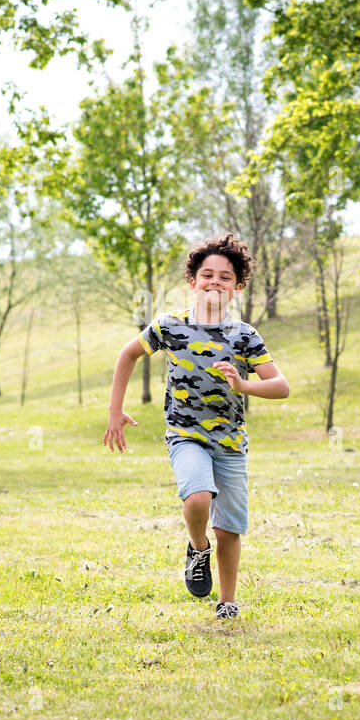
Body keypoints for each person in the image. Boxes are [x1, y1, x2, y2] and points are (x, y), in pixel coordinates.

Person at [103, 233, 291, 620]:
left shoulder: (244, 336)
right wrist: (115, 412)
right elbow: (128, 354)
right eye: (207, 274)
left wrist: (243, 384)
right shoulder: (169, 326)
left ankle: (227, 602)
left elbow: (281, 386)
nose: (215, 282)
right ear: (192, 281)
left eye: (226, 277)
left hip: (230, 441)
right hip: (185, 434)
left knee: (229, 529)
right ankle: (196, 548)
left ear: (237, 287)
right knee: (198, 498)